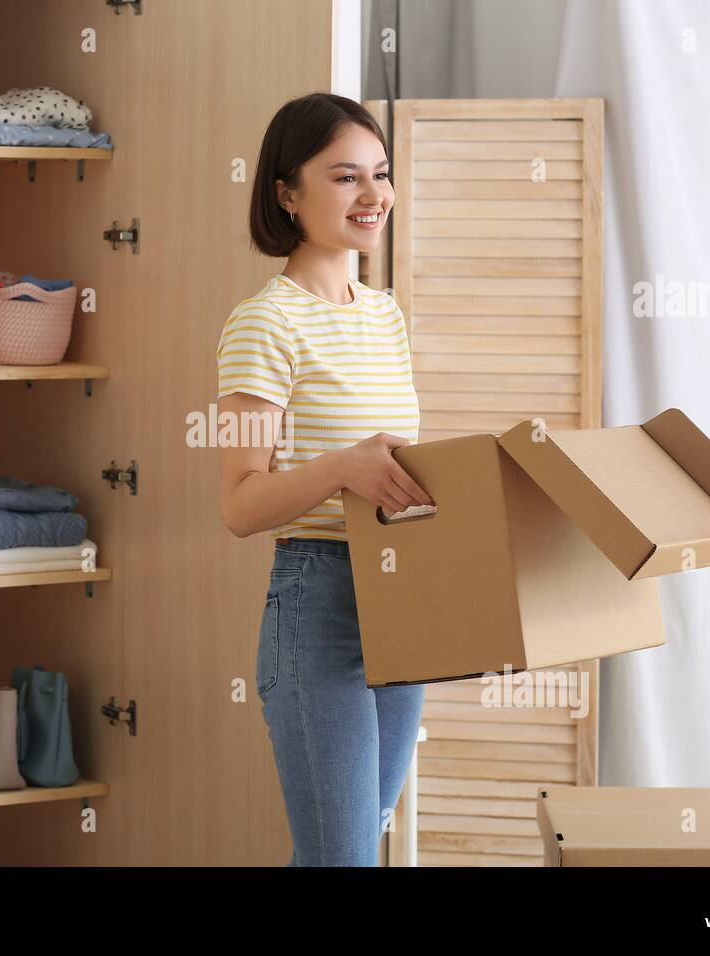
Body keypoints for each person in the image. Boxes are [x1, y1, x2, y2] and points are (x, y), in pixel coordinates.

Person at [216, 92, 434, 866]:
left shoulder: (384, 316)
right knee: (339, 859)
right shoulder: (263, 322)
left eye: (380, 174)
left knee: (349, 854)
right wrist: (342, 469)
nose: (374, 196)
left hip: (402, 598)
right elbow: (240, 503)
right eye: (346, 178)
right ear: (287, 193)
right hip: (321, 602)